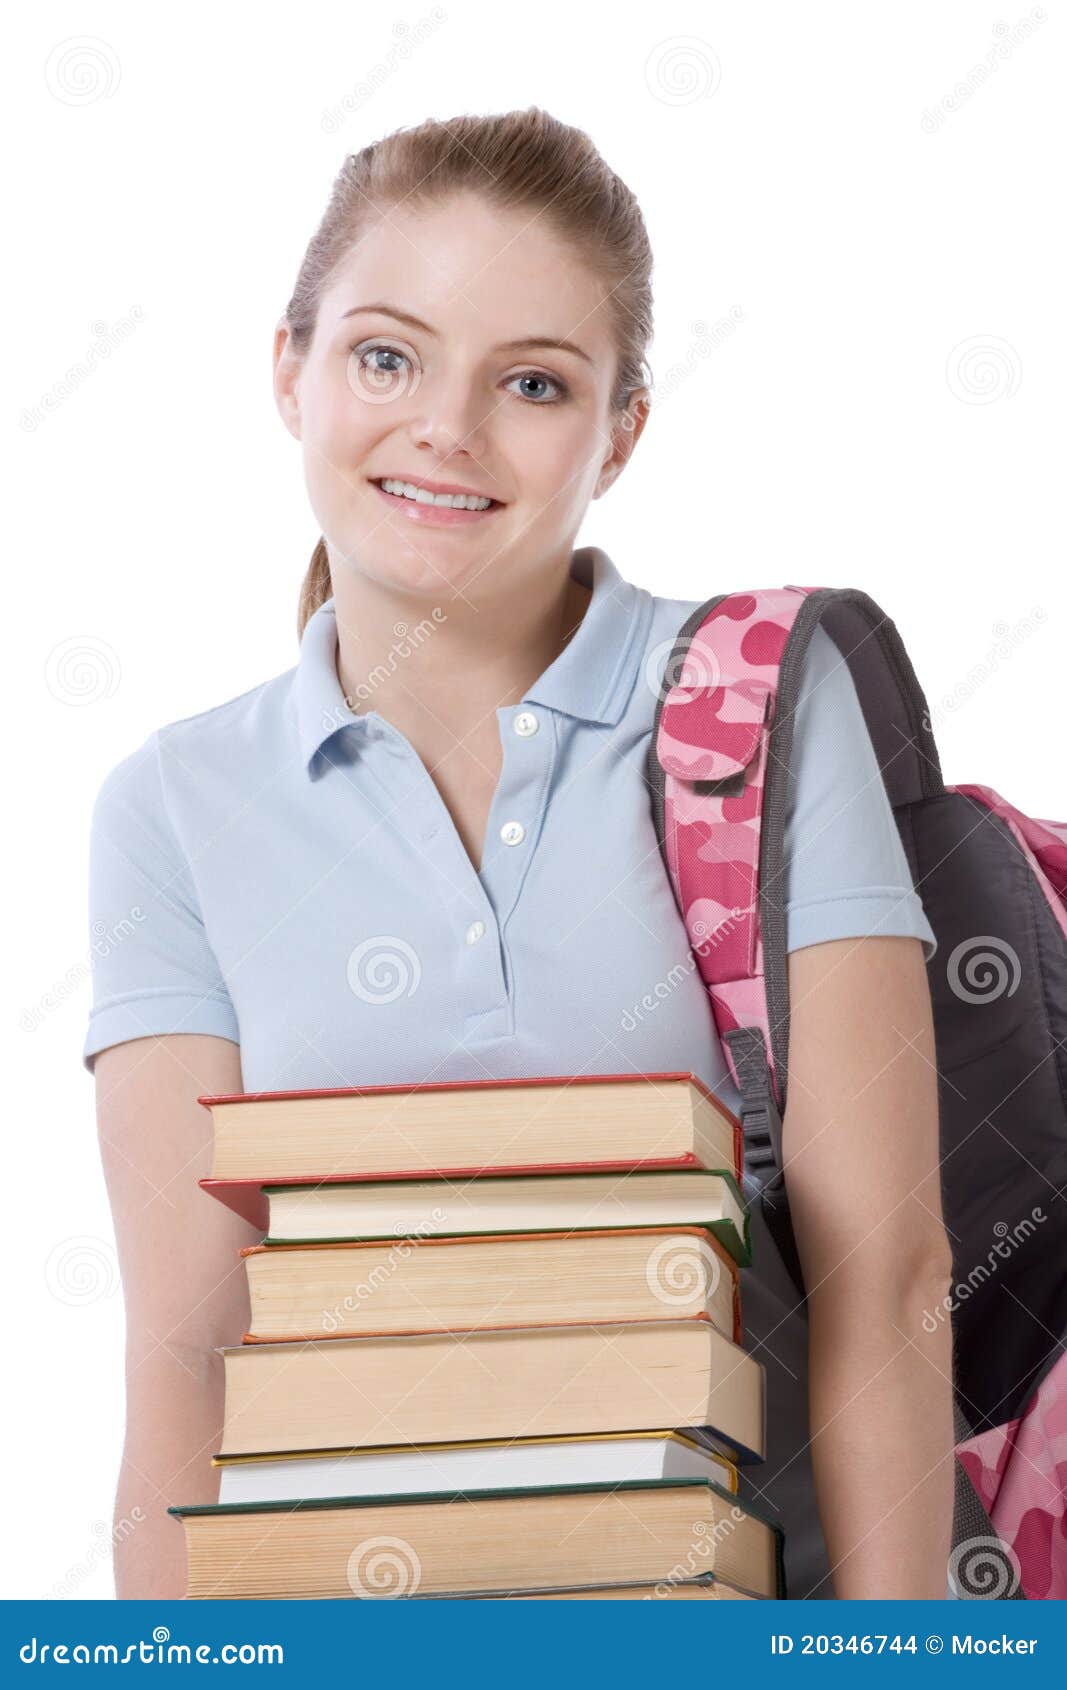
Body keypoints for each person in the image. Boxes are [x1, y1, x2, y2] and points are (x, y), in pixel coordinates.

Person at [84, 107, 955, 1600]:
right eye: (383, 354)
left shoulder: (762, 705)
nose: (446, 428)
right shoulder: (173, 803)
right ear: (288, 369)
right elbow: (188, 1343)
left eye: (534, 382)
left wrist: (895, 1657)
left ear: (620, 430)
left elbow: (891, 1280)